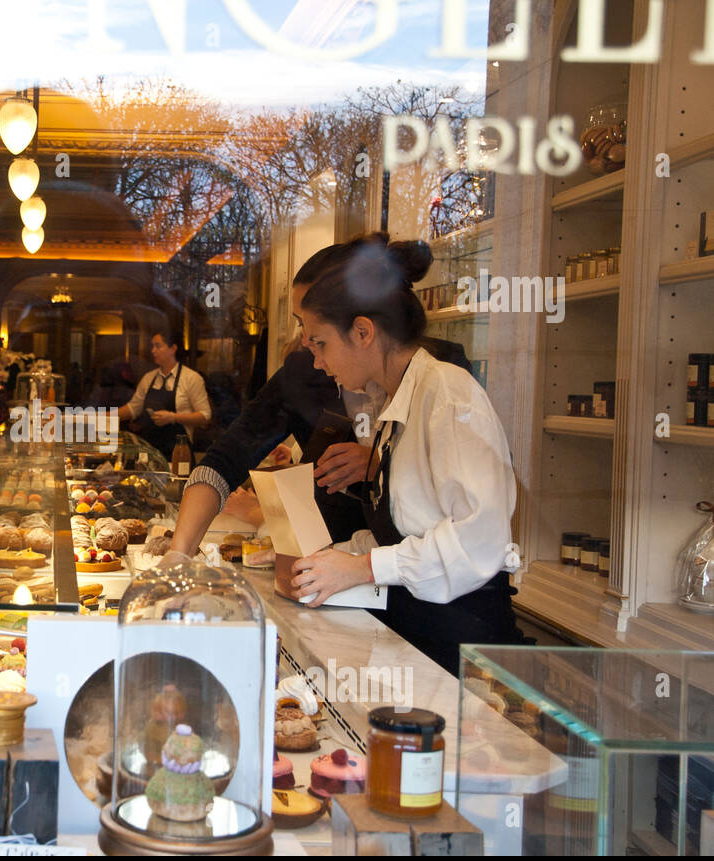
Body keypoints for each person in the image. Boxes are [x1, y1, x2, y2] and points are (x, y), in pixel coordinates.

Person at [288, 238, 523, 672]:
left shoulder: (448, 395)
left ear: (362, 332)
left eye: (320, 344)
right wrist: (325, 560)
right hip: (415, 634)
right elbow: (407, 529)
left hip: (462, 647)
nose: (318, 363)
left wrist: (361, 568)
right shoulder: (393, 403)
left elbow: (478, 540)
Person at [171, 235, 474, 556]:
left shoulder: (440, 376)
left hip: (416, 580)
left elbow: (467, 512)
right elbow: (226, 459)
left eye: (314, 332)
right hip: (339, 563)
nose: (307, 345)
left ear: (361, 330)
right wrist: (178, 552)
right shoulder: (306, 371)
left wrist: (382, 466)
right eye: (303, 327)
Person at [115, 329, 211, 460]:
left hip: (178, 453)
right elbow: (133, 409)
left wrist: (173, 417)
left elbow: (205, 417)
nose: (153, 350)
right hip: (150, 454)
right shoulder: (148, 378)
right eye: (152, 346)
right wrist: (101, 417)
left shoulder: (191, 378)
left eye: (158, 346)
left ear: (173, 348)